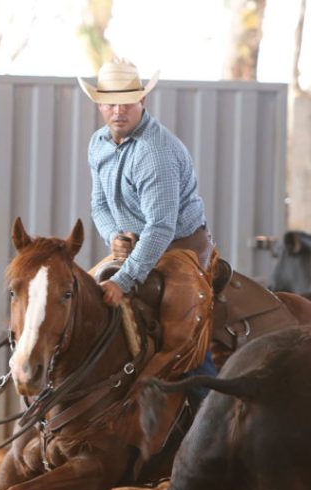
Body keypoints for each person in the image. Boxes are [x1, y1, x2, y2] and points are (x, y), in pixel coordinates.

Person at [78, 58, 217, 400]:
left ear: (142, 100)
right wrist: (114, 236)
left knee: (180, 329)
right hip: (135, 245)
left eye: (127, 101)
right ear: (99, 104)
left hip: (179, 246)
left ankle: (208, 405)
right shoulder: (98, 144)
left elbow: (161, 227)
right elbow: (99, 204)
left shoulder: (154, 152)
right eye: (110, 103)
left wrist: (123, 280)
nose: (118, 110)